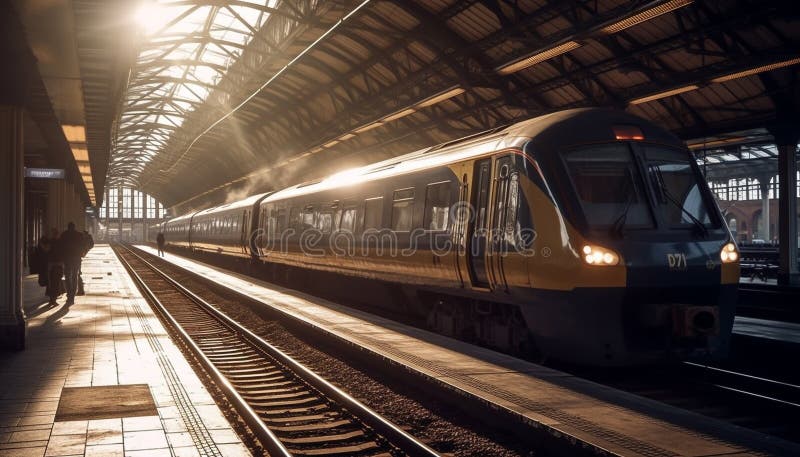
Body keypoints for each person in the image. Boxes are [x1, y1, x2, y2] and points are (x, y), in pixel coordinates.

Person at [59, 222, 85, 305]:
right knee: (74, 276)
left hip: (67, 259)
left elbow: (61, 247)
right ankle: (72, 294)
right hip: (76, 258)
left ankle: (69, 294)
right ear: (74, 227)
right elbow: (84, 245)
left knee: (67, 276)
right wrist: (82, 254)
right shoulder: (79, 235)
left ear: (68, 227)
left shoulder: (64, 235)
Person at [46, 228, 64, 305]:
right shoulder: (60, 242)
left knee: (51, 282)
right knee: (56, 282)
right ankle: (53, 299)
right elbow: (64, 252)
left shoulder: (50, 242)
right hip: (58, 264)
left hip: (51, 264)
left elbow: (47, 250)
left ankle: (52, 299)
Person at [76, 230, 94, 296]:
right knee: (77, 274)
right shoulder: (83, 239)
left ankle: (80, 290)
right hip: (78, 258)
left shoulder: (81, 240)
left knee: (77, 274)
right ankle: (80, 290)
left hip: (76, 258)